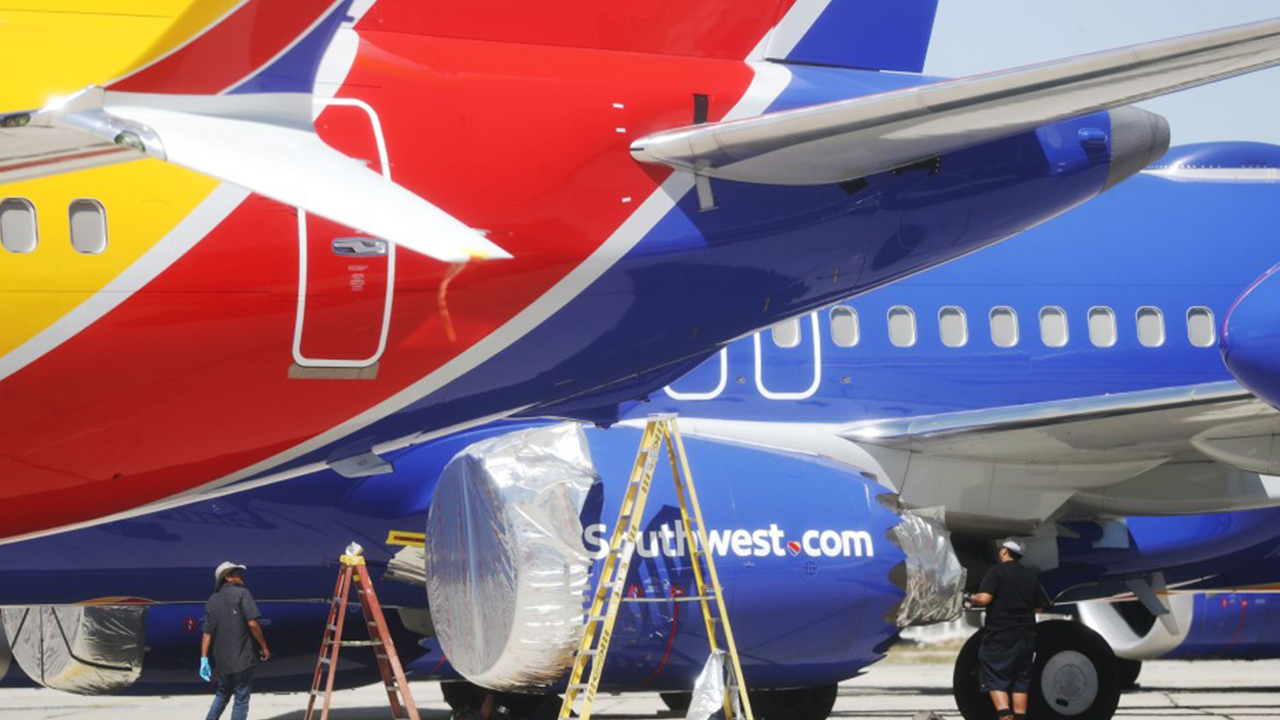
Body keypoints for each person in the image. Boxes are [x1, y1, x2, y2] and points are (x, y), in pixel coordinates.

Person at [966, 539, 1049, 720]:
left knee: (993, 676)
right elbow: (1038, 608)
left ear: (1004, 552)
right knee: (1021, 681)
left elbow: (985, 598)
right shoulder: (1030, 576)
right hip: (1025, 637)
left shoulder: (996, 572)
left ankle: (1005, 715)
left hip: (999, 636)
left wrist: (970, 597)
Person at [201, 561, 271, 720]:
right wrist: (264, 647)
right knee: (241, 699)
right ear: (228, 577)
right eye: (237, 573)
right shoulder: (242, 593)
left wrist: (203, 659)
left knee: (222, 694)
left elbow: (207, 634)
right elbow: (253, 623)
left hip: (222, 661)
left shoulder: (212, 600)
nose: (241, 575)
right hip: (242, 659)